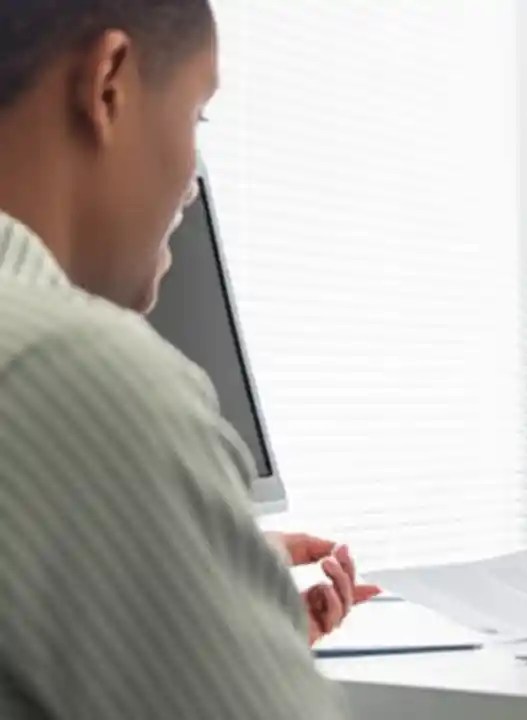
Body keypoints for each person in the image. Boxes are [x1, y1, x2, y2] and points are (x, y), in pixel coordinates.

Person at [0, 2, 371, 717]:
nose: (193, 184)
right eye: (196, 116)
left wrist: (205, 638)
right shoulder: (74, 372)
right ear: (110, 83)